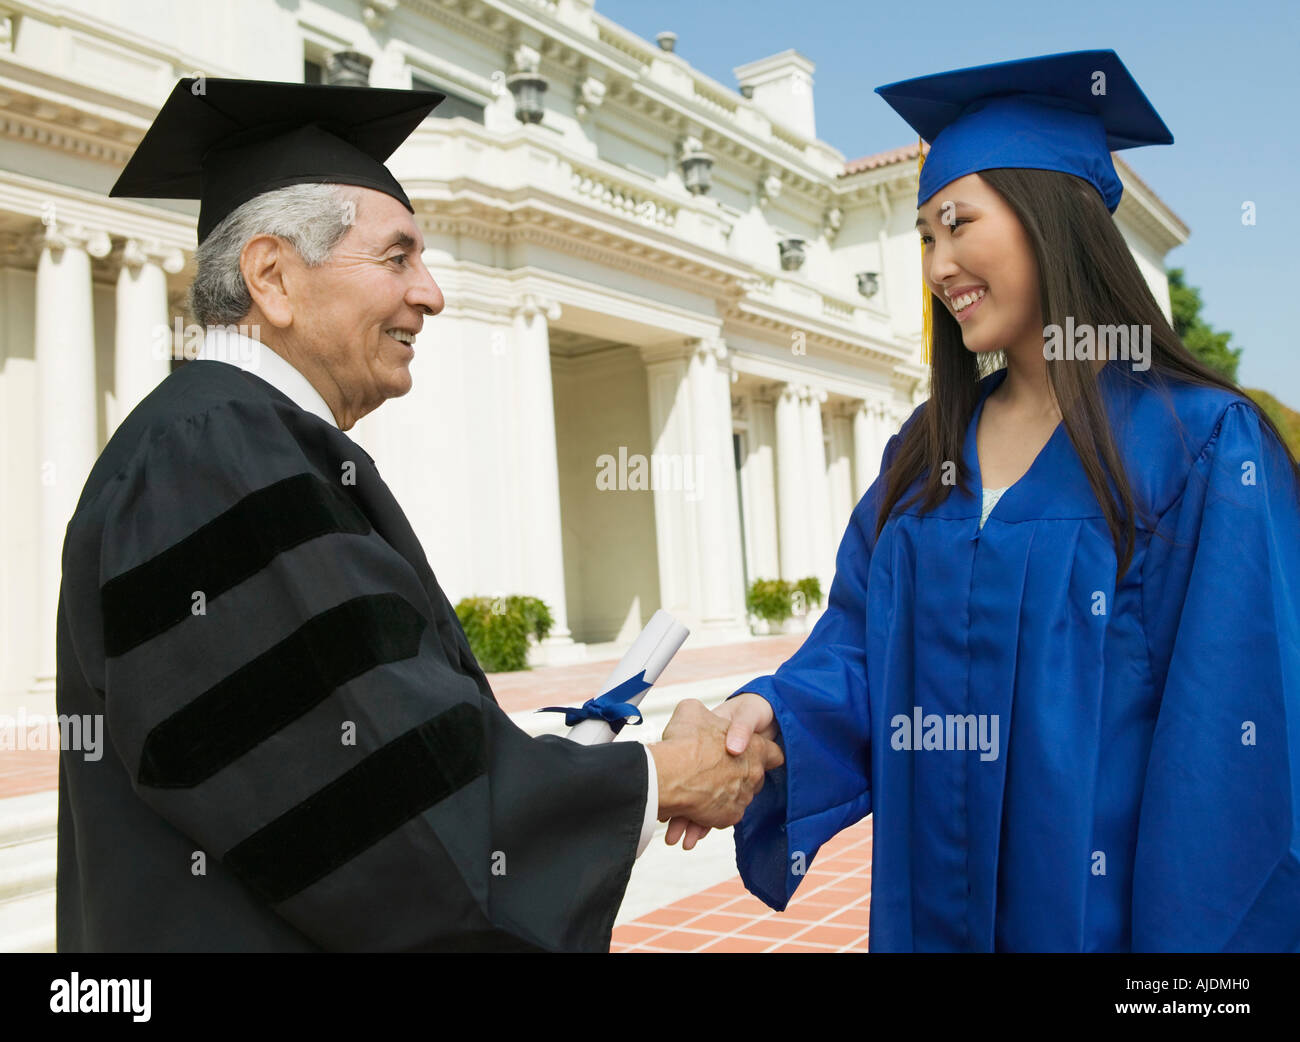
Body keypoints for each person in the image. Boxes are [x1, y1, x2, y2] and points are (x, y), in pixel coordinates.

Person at [55, 77, 782, 953]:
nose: (431, 294)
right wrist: (653, 778)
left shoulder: (239, 445)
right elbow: (378, 813)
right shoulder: (213, 457)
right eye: (397, 258)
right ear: (273, 277)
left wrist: (579, 760)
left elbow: (372, 739)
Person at [668, 50, 1300, 952]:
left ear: (1054, 217)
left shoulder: (1198, 446)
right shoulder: (922, 456)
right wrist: (765, 719)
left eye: (958, 224)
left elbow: (1232, 757)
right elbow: (857, 650)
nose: (938, 264)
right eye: (924, 236)